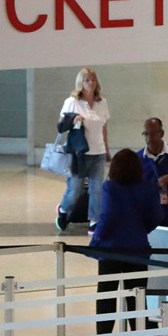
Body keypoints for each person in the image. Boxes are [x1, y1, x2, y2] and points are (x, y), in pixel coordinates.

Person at [89, 148, 162, 336]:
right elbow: (157, 216)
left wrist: (96, 240)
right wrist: (140, 229)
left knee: (107, 293)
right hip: (137, 247)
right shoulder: (148, 188)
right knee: (137, 295)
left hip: (111, 249)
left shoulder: (111, 187)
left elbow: (107, 217)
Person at [56, 68, 111, 234]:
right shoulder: (72, 102)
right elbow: (61, 125)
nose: (91, 83)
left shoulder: (102, 102)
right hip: (79, 153)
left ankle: (94, 221)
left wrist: (107, 149)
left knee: (97, 189)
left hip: (98, 152)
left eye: (93, 80)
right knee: (75, 189)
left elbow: (104, 127)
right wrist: (74, 119)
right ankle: (64, 210)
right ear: (81, 83)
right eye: (87, 80)